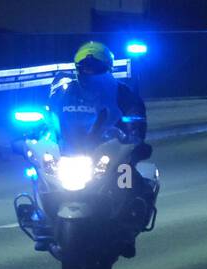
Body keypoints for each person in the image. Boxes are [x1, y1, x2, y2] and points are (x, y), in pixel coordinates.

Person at [34, 42, 155, 254]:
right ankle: (41, 219)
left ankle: (129, 222)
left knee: (128, 174)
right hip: (70, 148)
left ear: (106, 67)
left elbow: (136, 119)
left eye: (95, 66)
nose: (89, 71)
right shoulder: (66, 91)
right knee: (40, 173)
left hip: (105, 147)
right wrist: (34, 133)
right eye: (85, 66)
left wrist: (134, 139)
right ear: (77, 67)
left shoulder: (122, 93)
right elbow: (50, 115)